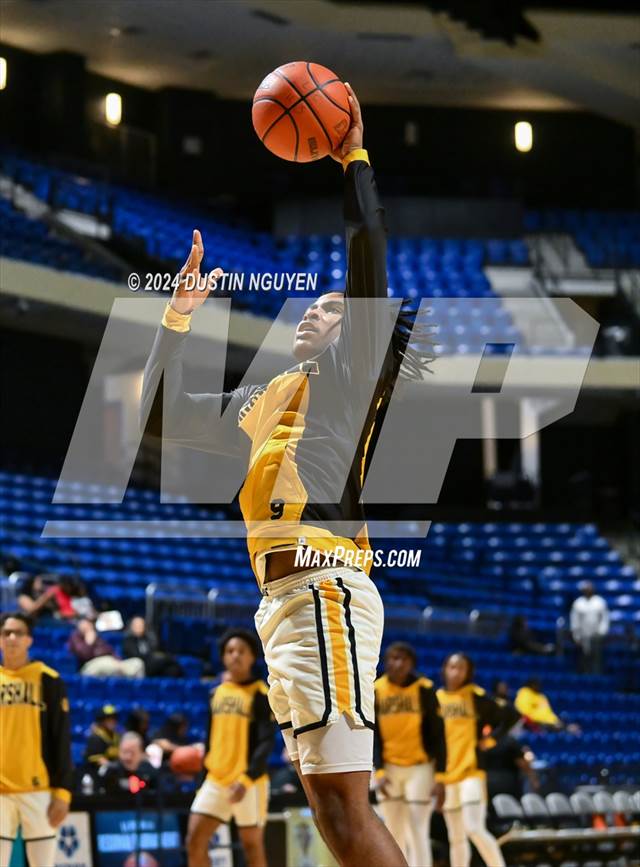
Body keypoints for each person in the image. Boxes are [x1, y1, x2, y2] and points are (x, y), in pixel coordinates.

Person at [141, 84, 432, 867]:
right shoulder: (274, 394)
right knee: (331, 807)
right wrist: (177, 318)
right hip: (283, 599)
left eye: (332, 308)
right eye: (313, 305)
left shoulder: (354, 372)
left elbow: (366, 244)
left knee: (344, 805)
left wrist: (354, 159)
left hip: (324, 583)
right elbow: (162, 417)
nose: (313, 311)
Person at [187, 629, 275, 867]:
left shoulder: (260, 694)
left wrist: (247, 779)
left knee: (252, 847)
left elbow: (266, 741)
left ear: (252, 657)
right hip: (216, 779)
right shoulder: (216, 692)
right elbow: (210, 739)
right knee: (194, 840)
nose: (235, 655)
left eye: (241, 651)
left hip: (248, 783)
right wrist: (203, 777)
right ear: (224, 657)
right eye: (230, 651)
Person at [0, 612, 73, 867]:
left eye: (18, 633)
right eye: (6, 633)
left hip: (39, 790)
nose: (11, 638)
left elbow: (61, 737)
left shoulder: (48, 679)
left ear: (29, 640)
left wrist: (63, 792)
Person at [436, 652, 520, 867]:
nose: (455, 672)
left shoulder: (475, 695)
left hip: (471, 773)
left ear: (468, 672)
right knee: (455, 836)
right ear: (445, 669)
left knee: (474, 828)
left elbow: (511, 715)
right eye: (452, 667)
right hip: (446, 776)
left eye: (461, 668)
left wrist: (491, 741)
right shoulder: (436, 699)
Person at [373, 642, 445, 867]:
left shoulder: (425, 689)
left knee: (417, 830)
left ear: (412, 663)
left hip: (420, 767)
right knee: (393, 833)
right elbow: (372, 735)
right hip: (389, 769)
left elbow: (438, 735)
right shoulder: (375, 689)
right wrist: (379, 769)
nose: (398, 663)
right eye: (394, 658)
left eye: (404, 659)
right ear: (386, 661)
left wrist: (440, 776)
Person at [68, 617, 144, 677]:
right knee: (106, 663)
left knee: (138, 663)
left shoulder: (97, 637)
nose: (87, 626)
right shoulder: (76, 637)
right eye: (84, 624)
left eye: (89, 624)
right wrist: (89, 642)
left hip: (112, 662)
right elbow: (84, 655)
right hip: (90, 665)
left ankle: (138, 692)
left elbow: (110, 650)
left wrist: (117, 659)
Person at [482, 734, 539, 801]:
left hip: (487, 782)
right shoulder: (509, 741)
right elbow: (521, 763)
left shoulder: (482, 741)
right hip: (508, 783)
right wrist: (533, 778)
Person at [514, 678, 581, 734]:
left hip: (549, 722)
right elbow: (522, 711)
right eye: (536, 684)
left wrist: (556, 721)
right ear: (531, 684)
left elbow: (548, 712)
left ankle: (565, 727)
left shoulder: (541, 696)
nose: (538, 686)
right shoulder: (525, 692)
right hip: (535, 722)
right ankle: (565, 728)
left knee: (574, 730)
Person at [570, 581, 609, 674]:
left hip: (596, 635)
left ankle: (597, 674)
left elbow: (605, 618)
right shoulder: (578, 603)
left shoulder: (600, 602)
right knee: (583, 657)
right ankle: (583, 674)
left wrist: (602, 632)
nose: (588, 590)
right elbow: (574, 620)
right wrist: (576, 635)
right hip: (583, 635)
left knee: (596, 657)